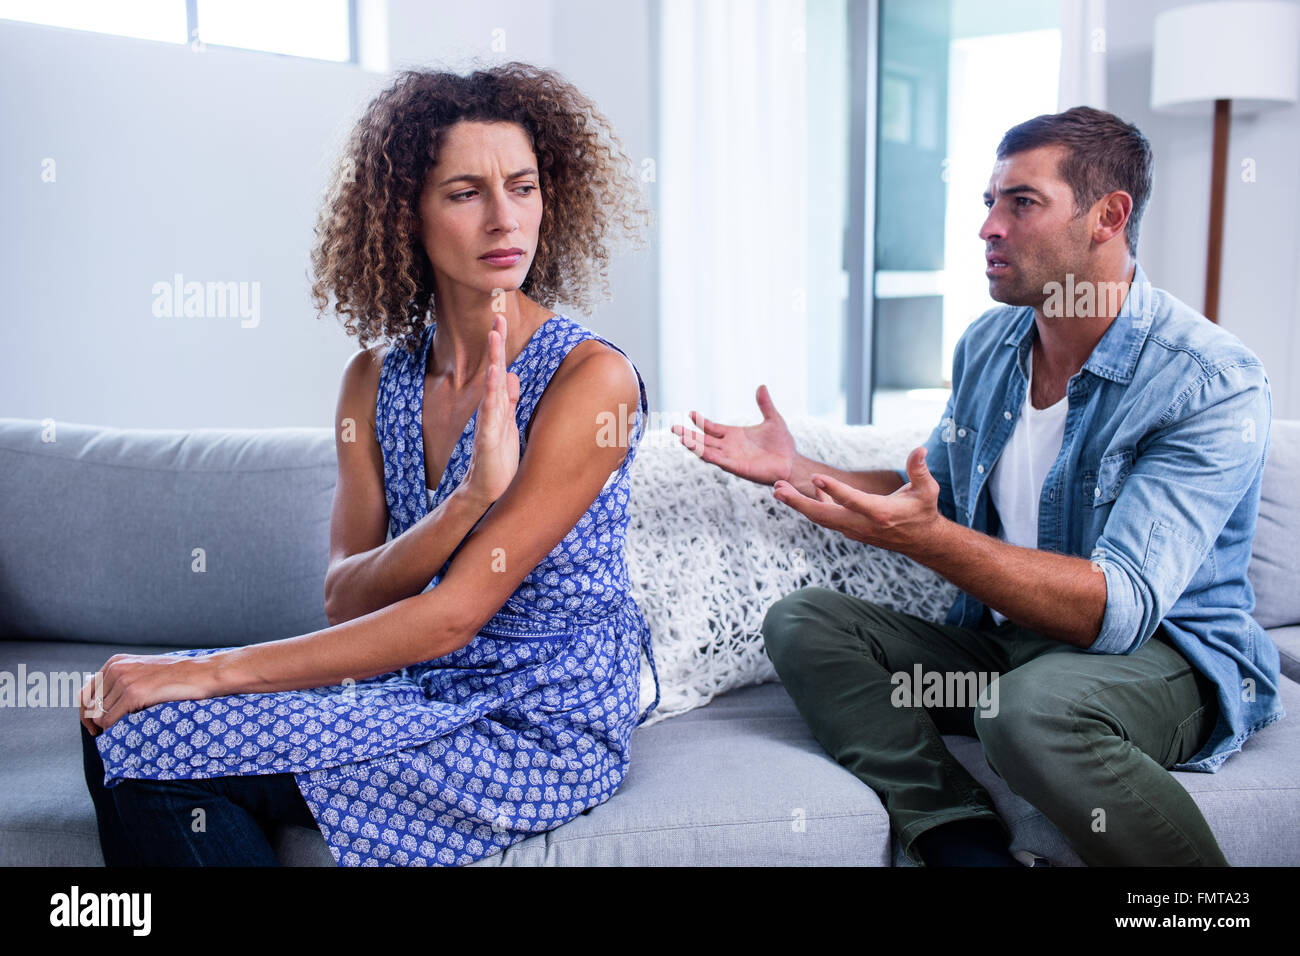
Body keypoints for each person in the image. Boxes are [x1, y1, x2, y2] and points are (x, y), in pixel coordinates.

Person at [79, 61, 659, 867]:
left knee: (155, 729)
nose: (504, 220)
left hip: (535, 719)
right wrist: (466, 502)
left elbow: (457, 613)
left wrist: (210, 674)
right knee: (113, 702)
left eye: (522, 187)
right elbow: (345, 597)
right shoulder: (372, 382)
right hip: (415, 685)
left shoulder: (592, 381)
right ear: (404, 215)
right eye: (465, 193)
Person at [675, 106, 1281, 867]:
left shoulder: (1209, 381)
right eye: (988, 202)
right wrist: (800, 469)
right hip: (1013, 649)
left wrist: (934, 542)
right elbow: (937, 497)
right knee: (806, 621)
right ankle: (961, 840)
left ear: (1108, 216)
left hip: (1164, 661)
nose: (989, 226)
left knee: (1026, 714)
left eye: (1021, 202)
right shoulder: (990, 345)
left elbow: (1118, 609)